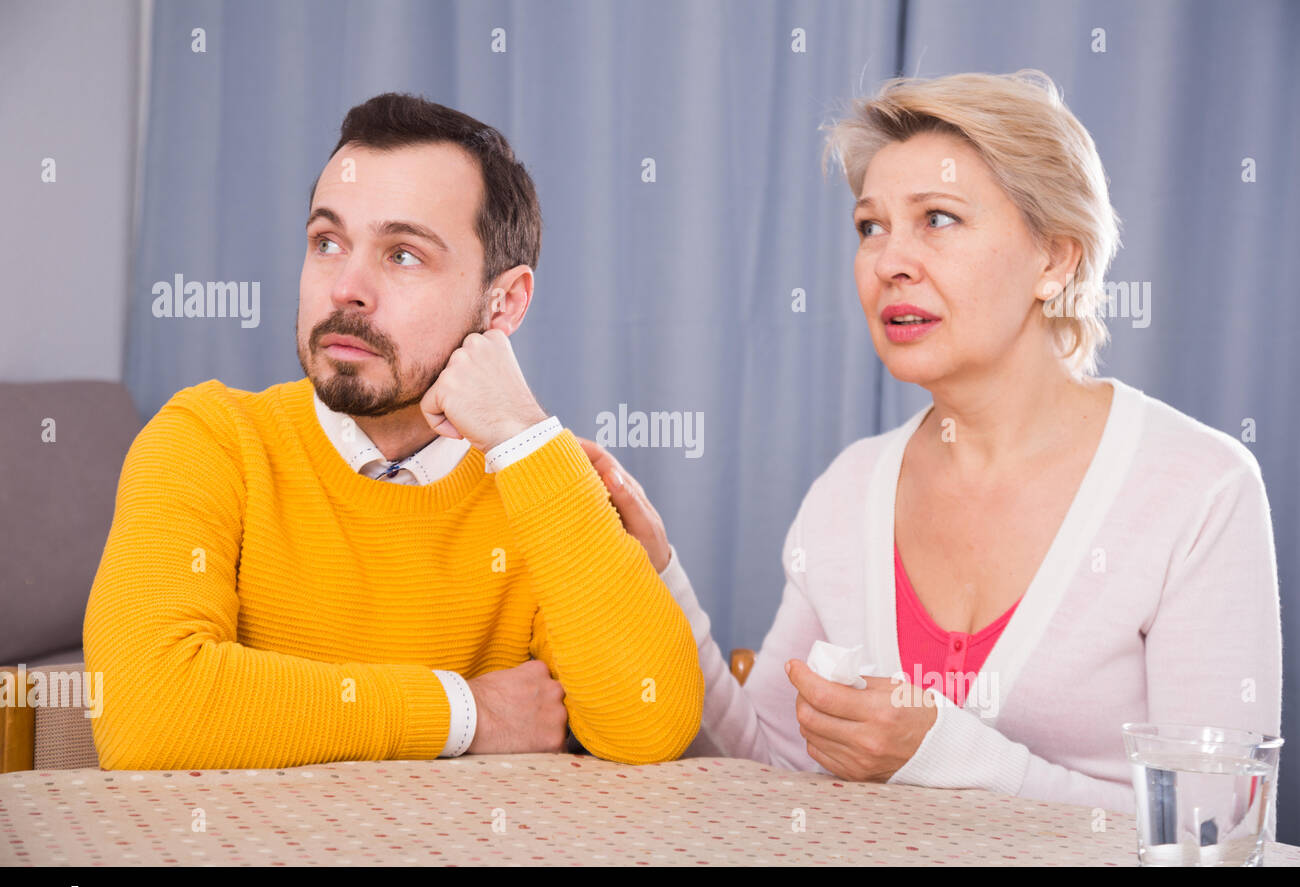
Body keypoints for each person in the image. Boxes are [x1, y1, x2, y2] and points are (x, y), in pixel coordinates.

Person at [584, 70, 1282, 823]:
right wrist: (656, 577)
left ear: (1056, 259)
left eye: (939, 219)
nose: (889, 262)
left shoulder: (1200, 488)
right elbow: (771, 767)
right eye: (870, 226)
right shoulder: (851, 488)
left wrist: (946, 757)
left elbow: (1217, 830)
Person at [83, 93, 703, 771]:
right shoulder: (208, 439)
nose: (346, 286)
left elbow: (649, 724)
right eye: (327, 242)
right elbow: (144, 713)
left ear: (506, 302)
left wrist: (525, 436)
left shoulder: (540, 484)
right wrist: (468, 712)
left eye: (403, 255)